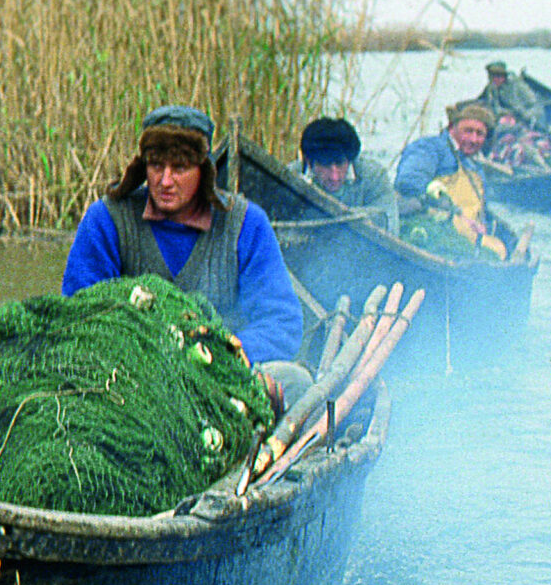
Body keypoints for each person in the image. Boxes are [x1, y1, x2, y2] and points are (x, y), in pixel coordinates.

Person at [63, 104, 311, 410]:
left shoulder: (246, 223)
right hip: (131, 381)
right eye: (156, 166)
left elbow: (281, 322)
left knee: (298, 383)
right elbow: (79, 313)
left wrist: (219, 357)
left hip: (224, 379)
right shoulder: (107, 219)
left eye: (179, 168)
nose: (165, 181)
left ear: (204, 171)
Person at [394, 101, 524, 259]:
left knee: (502, 249)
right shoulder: (432, 148)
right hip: (436, 230)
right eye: (468, 131)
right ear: (451, 128)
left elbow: (481, 212)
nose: (473, 139)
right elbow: (408, 181)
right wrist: (448, 208)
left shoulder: (475, 168)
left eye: (479, 134)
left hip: (471, 235)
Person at [288, 117, 398, 232]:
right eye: (325, 165)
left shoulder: (375, 177)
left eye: (340, 164)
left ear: (350, 160)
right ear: (309, 162)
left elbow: (391, 229)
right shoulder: (290, 178)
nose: (334, 177)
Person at [476, 60, 541, 126]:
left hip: (520, 118)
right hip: (500, 117)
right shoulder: (491, 87)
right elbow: (481, 100)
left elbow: (536, 106)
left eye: (499, 76)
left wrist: (523, 117)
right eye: (492, 76)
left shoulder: (517, 86)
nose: (495, 79)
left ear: (504, 76)